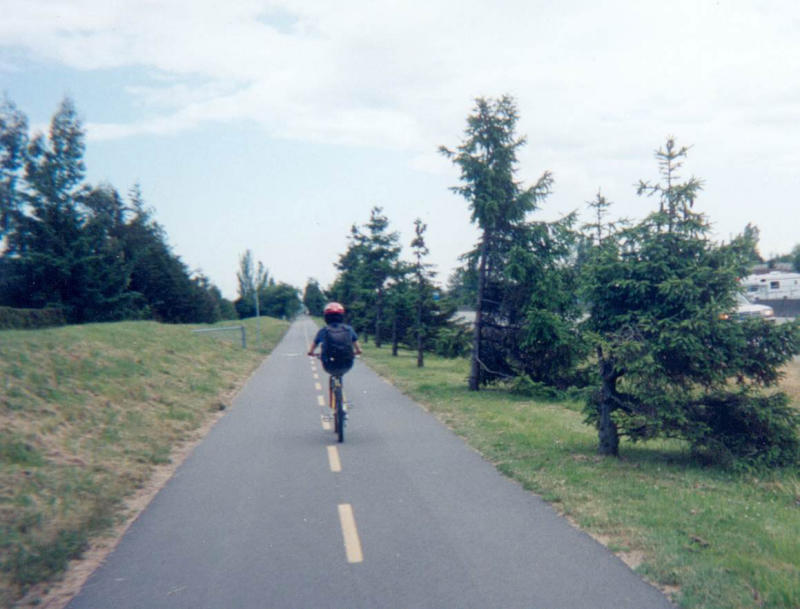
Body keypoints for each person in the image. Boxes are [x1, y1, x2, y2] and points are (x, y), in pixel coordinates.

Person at [308, 302, 362, 375]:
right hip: (347, 364)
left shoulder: (324, 330)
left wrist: (311, 352)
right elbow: (357, 347)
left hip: (329, 365)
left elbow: (314, 344)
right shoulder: (349, 329)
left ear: (326, 317)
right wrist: (358, 351)